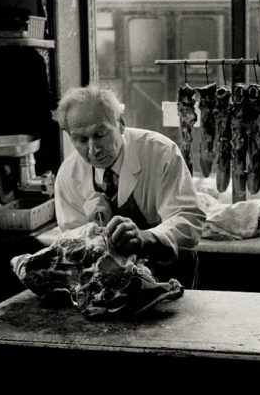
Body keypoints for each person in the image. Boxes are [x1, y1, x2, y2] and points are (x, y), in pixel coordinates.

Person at [52, 85, 205, 288]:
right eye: (81, 139)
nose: (93, 150)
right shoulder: (68, 175)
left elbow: (189, 220)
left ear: (121, 124)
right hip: (113, 287)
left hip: (171, 278)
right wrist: (89, 231)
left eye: (100, 134)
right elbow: (70, 251)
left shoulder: (160, 152)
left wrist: (146, 238)